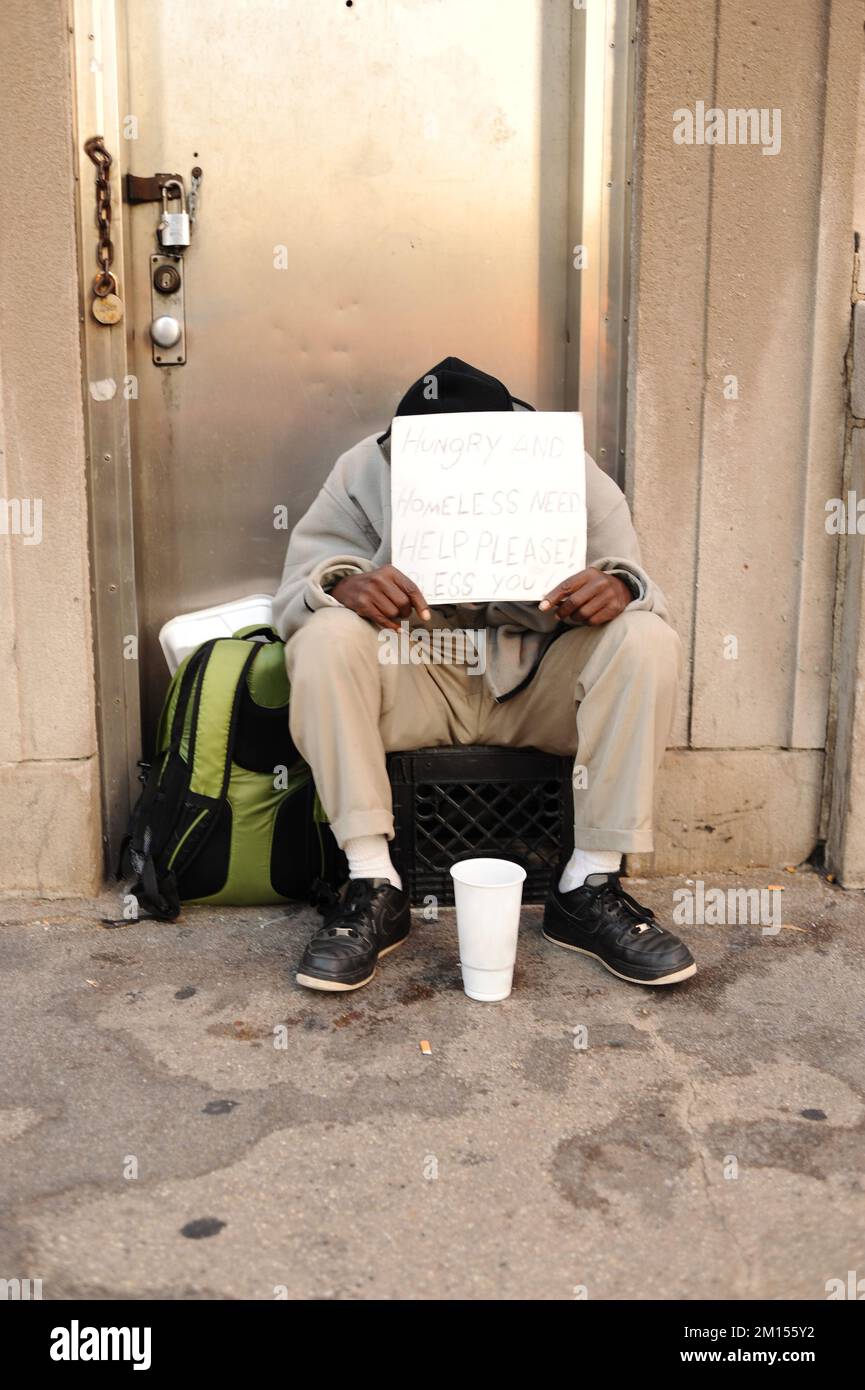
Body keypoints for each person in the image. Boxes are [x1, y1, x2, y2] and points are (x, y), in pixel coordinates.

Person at [274, 357, 696, 992]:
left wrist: (617, 587)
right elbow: (290, 600)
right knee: (324, 634)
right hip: (417, 676)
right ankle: (372, 883)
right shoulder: (362, 467)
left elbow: (643, 592)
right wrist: (343, 584)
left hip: (538, 682)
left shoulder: (568, 470)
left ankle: (589, 885)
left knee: (644, 638)